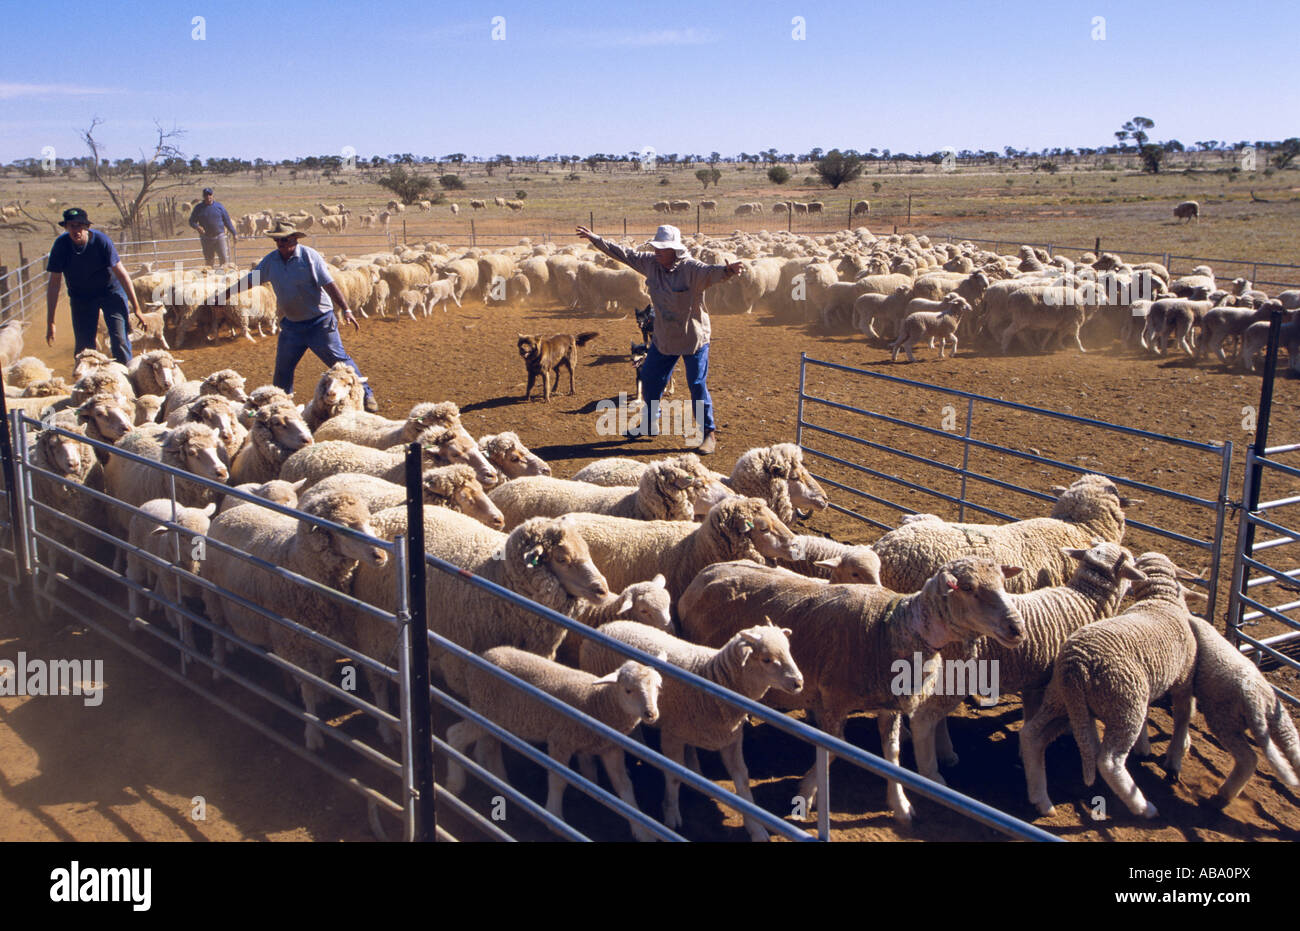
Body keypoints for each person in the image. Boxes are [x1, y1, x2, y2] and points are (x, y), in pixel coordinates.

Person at [575, 223, 742, 455]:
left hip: (693, 337)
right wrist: (596, 239)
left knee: (696, 385)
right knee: (650, 378)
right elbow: (623, 253)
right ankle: (649, 423)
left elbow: (711, 273)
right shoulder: (650, 264)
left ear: (675, 250)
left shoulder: (691, 269)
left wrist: (728, 271)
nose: (657, 252)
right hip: (665, 337)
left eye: (662, 249)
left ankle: (708, 433)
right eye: (656, 248)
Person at [214, 220, 378, 412]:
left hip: (319, 322)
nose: (281, 244)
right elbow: (251, 280)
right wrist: (226, 294)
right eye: (278, 240)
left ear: (294, 239)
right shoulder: (271, 261)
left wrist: (346, 309)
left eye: (285, 240)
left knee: (339, 360)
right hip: (292, 326)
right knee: (283, 369)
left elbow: (329, 284)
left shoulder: (309, 257)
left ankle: (367, 394)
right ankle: (281, 407)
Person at [44, 207, 142, 365]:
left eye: (79, 225)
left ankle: (126, 376)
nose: (76, 230)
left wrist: (136, 308)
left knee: (119, 339)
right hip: (81, 297)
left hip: (110, 292)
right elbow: (54, 284)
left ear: (86, 226)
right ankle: (86, 382)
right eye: (71, 226)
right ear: (66, 227)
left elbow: (122, 274)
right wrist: (51, 321)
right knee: (84, 346)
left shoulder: (101, 241)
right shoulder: (60, 246)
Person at [188, 187, 237, 267]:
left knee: (224, 259)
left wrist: (234, 233)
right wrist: (197, 227)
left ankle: (222, 277)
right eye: (206, 195)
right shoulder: (198, 208)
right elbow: (191, 221)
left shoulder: (219, 206)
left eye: (209, 195)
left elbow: (227, 221)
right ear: (203, 196)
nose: (208, 197)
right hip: (206, 238)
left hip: (219, 236)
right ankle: (211, 278)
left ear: (212, 195)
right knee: (209, 260)